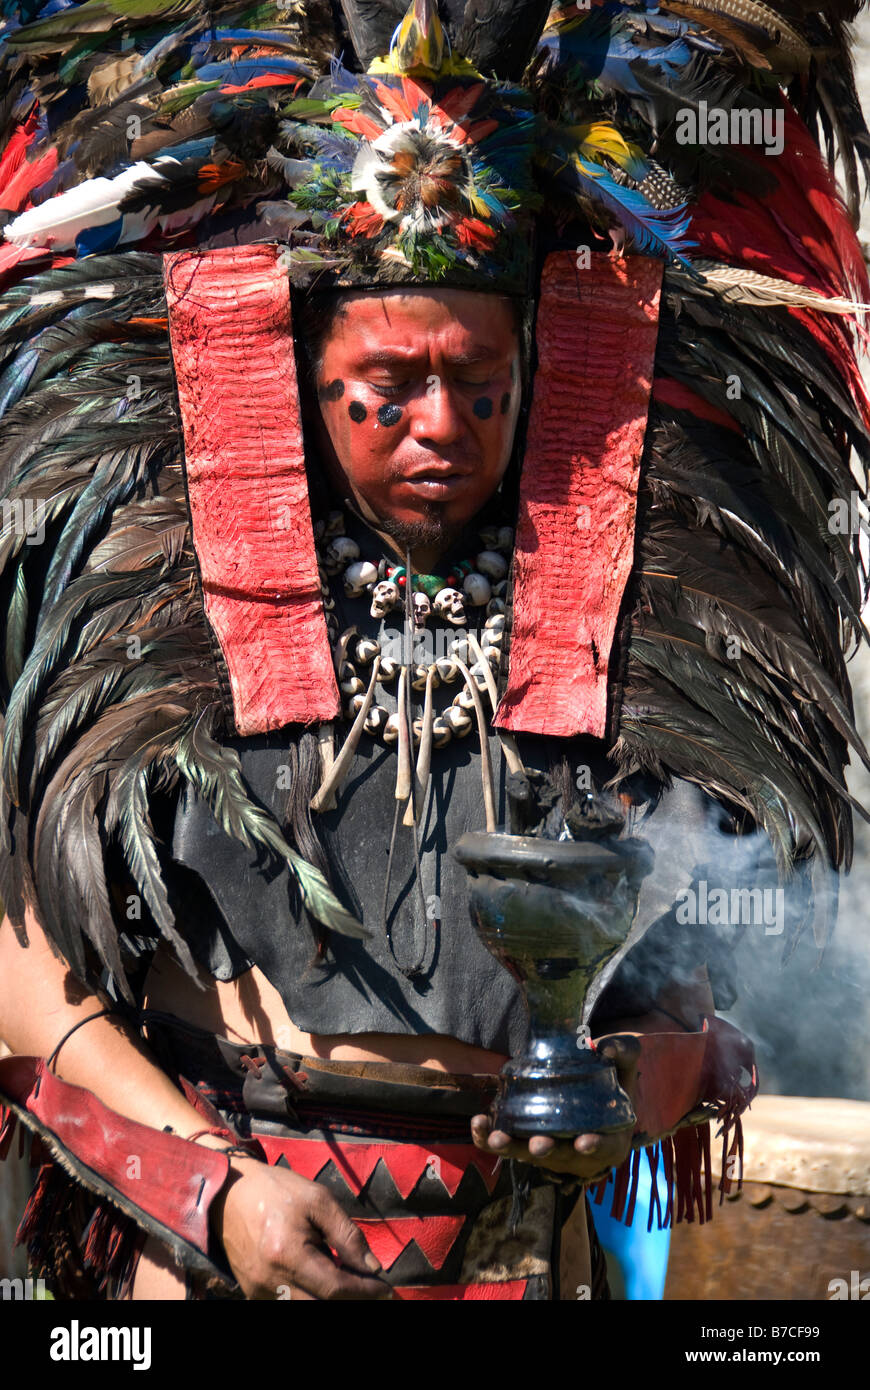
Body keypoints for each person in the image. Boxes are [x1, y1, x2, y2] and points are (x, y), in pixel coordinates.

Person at [0, 0, 867, 1301]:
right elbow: (18, 958)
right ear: (303, 372)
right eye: (390, 382)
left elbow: (681, 993)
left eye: (481, 384)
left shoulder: (635, 612)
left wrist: (634, 1077)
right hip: (210, 1241)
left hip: (517, 1256)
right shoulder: (144, 581)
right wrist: (209, 1184)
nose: (439, 425)